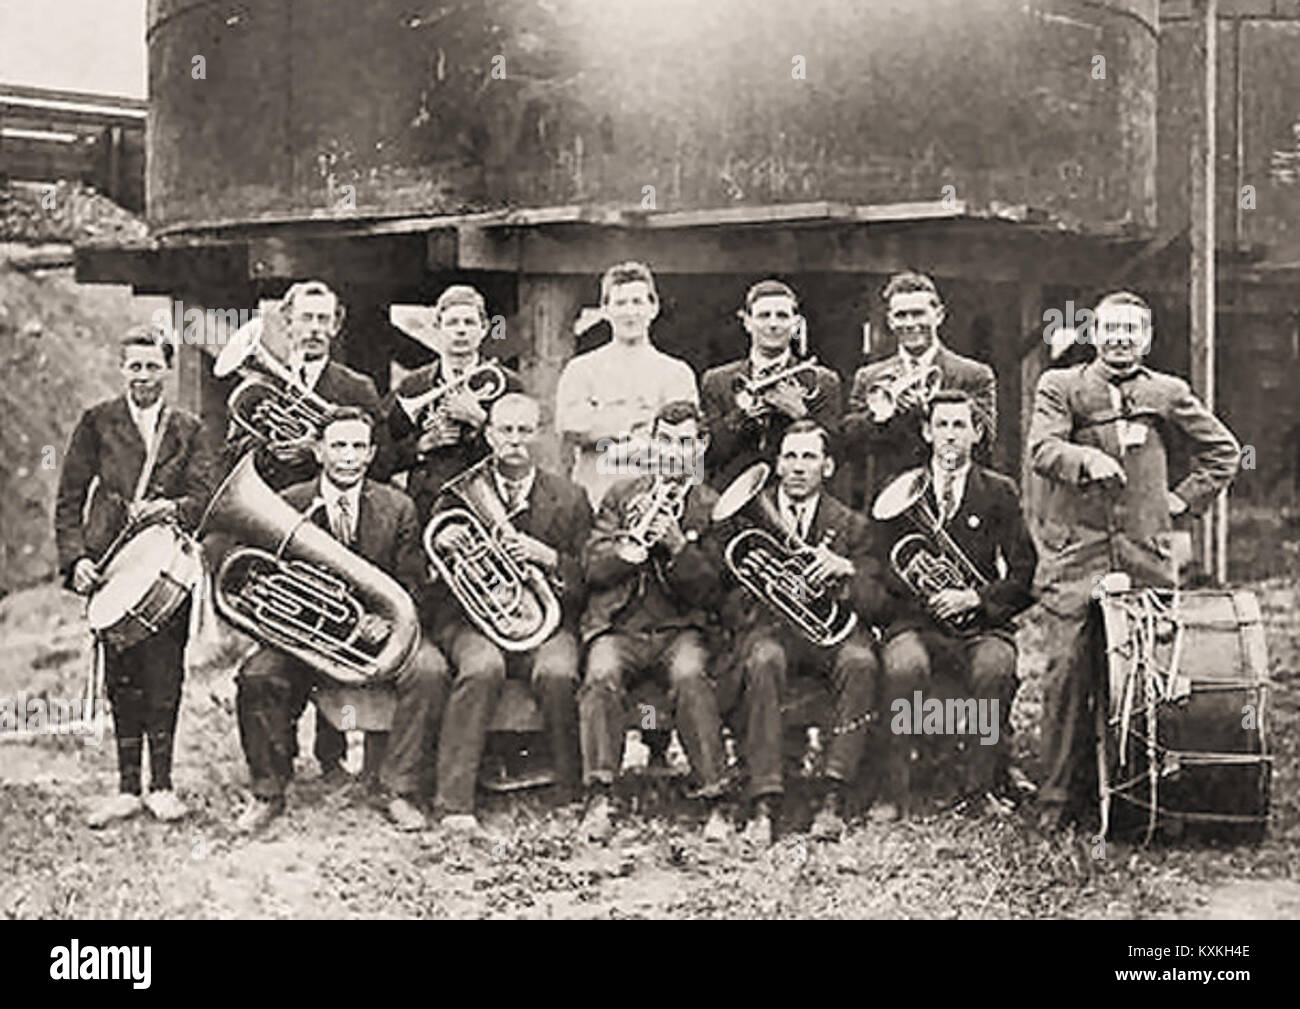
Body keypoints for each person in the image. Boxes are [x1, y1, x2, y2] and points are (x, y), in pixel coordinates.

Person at [1027, 291, 1240, 830]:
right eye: (1110, 328)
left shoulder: (1167, 392)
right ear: (1094, 333)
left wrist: (1181, 500)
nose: (1120, 338)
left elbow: (1224, 452)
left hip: (1145, 559)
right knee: (1066, 673)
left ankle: (1148, 793)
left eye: (1131, 330)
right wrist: (1086, 457)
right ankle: (1056, 799)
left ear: (1146, 339)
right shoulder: (1062, 386)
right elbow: (1042, 451)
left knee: (1152, 676)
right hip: (1076, 559)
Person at [233, 407, 448, 834]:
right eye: (338, 445)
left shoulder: (397, 505)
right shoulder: (289, 503)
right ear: (318, 450)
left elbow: (413, 583)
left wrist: (386, 620)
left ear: (370, 454)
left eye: (357, 447)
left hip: (382, 631)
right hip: (308, 633)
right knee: (257, 676)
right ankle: (268, 792)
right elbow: (260, 573)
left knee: (430, 670)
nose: (347, 456)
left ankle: (400, 790)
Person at [222, 280, 393, 781]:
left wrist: (326, 456)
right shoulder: (258, 387)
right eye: (306, 318)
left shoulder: (356, 386)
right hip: (275, 519)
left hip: (337, 524)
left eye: (325, 320)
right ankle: (277, 765)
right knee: (290, 635)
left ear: (336, 327)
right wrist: (272, 453)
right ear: (287, 322)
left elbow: (379, 465)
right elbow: (231, 454)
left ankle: (332, 755)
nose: (315, 329)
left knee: (336, 623)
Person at [55, 324, 216, 827]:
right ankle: (127, 787)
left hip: (168, 567)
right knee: (122, 680)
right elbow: (69, 497)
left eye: (152, 366)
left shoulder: (187, 427)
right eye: (134, 366)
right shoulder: (96, 422)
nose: (143, 376)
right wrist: (76, 558)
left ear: (167, 369)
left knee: (165, 676)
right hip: (113, 566)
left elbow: (206, 498)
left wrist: (173, 507)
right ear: (121, 368)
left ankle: (162, 785)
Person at [426, 394, 593, 834]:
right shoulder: (456, 497)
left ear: (538, 435)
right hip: (474, 621)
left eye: (524, 431)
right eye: (505, 430)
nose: (514, 441)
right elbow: (430, 572)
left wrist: (550, 558)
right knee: (481, 669)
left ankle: (568, 790)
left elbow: (590, 575)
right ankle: (454, 802)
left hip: (546, 622)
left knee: (558, 673)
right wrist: (447, 547)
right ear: (488, 434)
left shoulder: (571, 497)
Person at [873, 391, 1037, 819]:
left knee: (994, 669)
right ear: (927, 431)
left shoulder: (999, 491)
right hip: (914, 621)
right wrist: (923, 593)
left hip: (979, 624)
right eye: (941, 425)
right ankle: (894, 789)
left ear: (976, 433)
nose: (949, 435)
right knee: (905, 668)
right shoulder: (902, 490)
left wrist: (975, 598)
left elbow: (1024, 574)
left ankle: (978, 786)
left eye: (959, 425)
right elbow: (881, 565)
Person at [721, 421, 885, 845]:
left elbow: (877, 601)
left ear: (828, 467)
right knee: (762, 659)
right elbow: (726, 595)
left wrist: (845, 572)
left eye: (809, 457)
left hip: (831, 635)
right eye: (790, 456)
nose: (797, 467)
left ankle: (834, 793)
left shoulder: (852, 525)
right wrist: (763, 595)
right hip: (772, 629)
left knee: (861, 661)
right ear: (776, 464)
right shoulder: (745, 523)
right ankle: (764, 799)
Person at [576, 400, 731, 842]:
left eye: (685, 443)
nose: (674, 452)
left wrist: (679, 546)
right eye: (665, 441)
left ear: (700, 446)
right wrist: (627, 551)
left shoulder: (712, 506)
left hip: (679, 630)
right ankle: (600, 795)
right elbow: (592, 566)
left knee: (689, 678)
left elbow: (713, 590)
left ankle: (715, 797)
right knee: (601, 674)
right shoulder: (622, 494)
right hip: (620, 626)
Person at [555, 261, 698, 508]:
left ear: (653, 308)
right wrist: (637, 420)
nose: (629, 312)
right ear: (606, 309)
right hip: (594, 501)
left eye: (637, 302)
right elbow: (570, 427)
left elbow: (682, 450)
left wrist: (603, 425)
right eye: (620, 303)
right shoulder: (581, 368)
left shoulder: (677, 372)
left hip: (653, 506)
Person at [842, 271, 996, 499]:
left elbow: (985, 442)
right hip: (888, 496)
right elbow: (850, 445)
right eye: (901, 315)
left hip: (951, 493)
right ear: (890, 320)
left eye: (918, 314)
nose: (910, 323)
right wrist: (884, 418)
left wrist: (930, 411)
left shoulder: (974, 375)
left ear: (939, 315)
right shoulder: (869, 377)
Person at [385, 284, 523, 524]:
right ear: (438, 328)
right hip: (428, 500)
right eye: (452, 323)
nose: (461, 331)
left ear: (484, 329)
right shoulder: (413, 385)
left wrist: (479, 419)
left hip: (491, 502)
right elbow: (385, 452)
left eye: (469, 323)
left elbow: (523, 451)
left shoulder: (508, 383)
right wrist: (422, 445)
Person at [700, 279, 843, 489]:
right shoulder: (716, 381)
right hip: (732, 494)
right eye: (764, 316)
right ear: (747, 322)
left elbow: (834, 455)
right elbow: (708, 455)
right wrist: (743, 415)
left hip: (794, 494)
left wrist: (800, 414)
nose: (773, 324)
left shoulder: (822, 381)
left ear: (795, 324)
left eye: (782, 316)